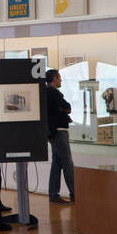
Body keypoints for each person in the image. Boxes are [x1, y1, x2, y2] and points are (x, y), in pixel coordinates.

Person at [44, 69, 75, 204]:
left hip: (52, 132)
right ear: (54, 78)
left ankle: (53, 194)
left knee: (57, 163)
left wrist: (62, 109)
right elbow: (67, 107)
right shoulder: (53, 92)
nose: (61, 80)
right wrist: (63, 109)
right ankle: (75, 193)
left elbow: (64, 108)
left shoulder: (47, 93)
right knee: (67, 163)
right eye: (59, 77)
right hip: (58, 132)